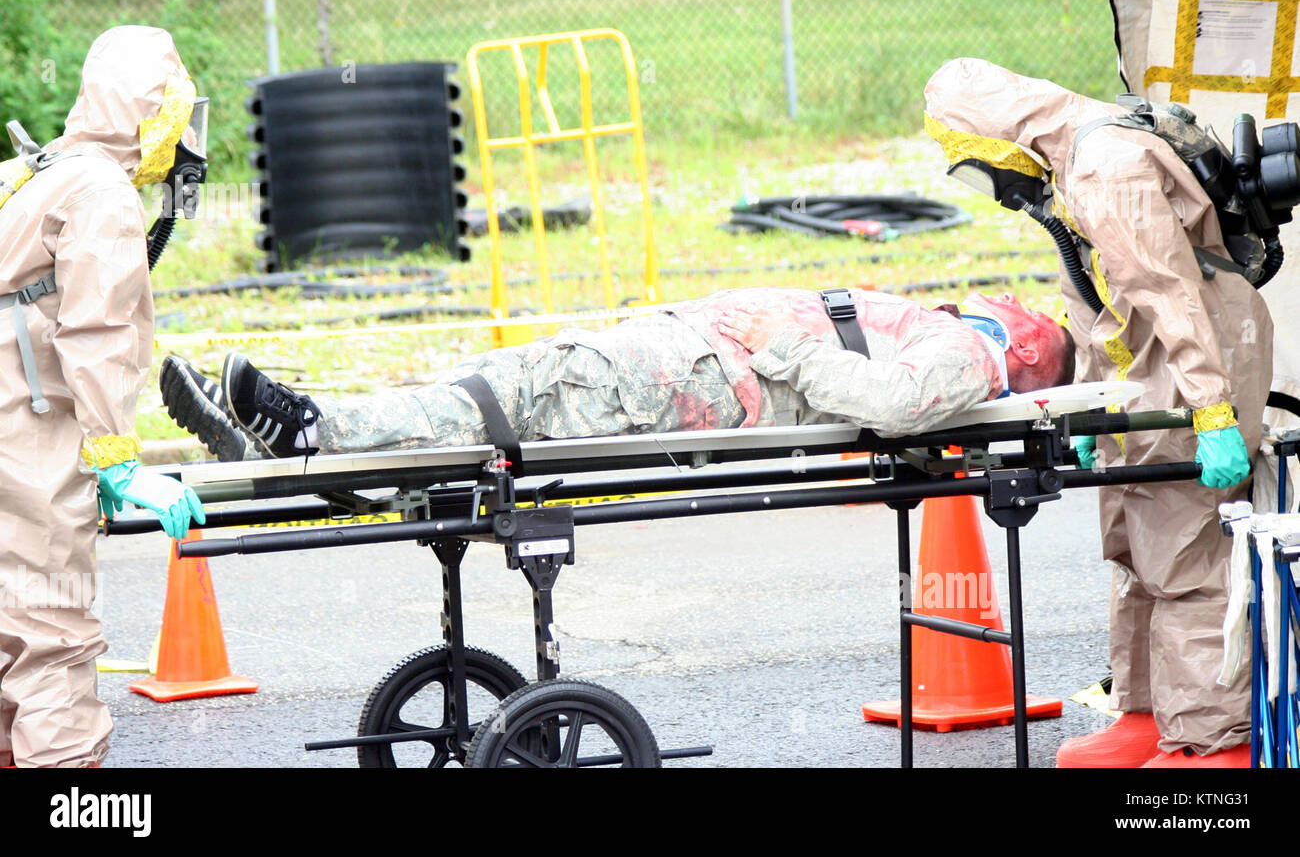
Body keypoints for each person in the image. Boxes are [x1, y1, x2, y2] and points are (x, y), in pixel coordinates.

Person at [925, 57, 1273, 768]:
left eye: (979, 170)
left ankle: (1211, 742)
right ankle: (1147, 715)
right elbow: (1094, 307)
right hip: (1143, 370)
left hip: (1195, 358)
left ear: (1003, 138)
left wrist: (1211, 410)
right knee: (1131, 547)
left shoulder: (1105, 166)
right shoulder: (1070, 168)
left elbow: (1169, 292)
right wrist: (1085, 409)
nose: (992, 192)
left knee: (1185, 555)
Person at [160, 287, 1074, 463]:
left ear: (1028, 348)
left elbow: (895, 405)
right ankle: (291, 432)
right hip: (688, 357)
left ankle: (308, 430)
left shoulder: (973, 356)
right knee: (498, 382)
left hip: (708, 373)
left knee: (505, 398)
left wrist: (781, 344)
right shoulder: (954, 333)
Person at [0, 26, 208, 768]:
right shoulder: (102, 193)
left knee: (5, 629)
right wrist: (118, 459)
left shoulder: (37, 170)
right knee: (51, 636)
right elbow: (97, 332)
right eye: (177, 118)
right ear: (151, 115)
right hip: (26, 426)